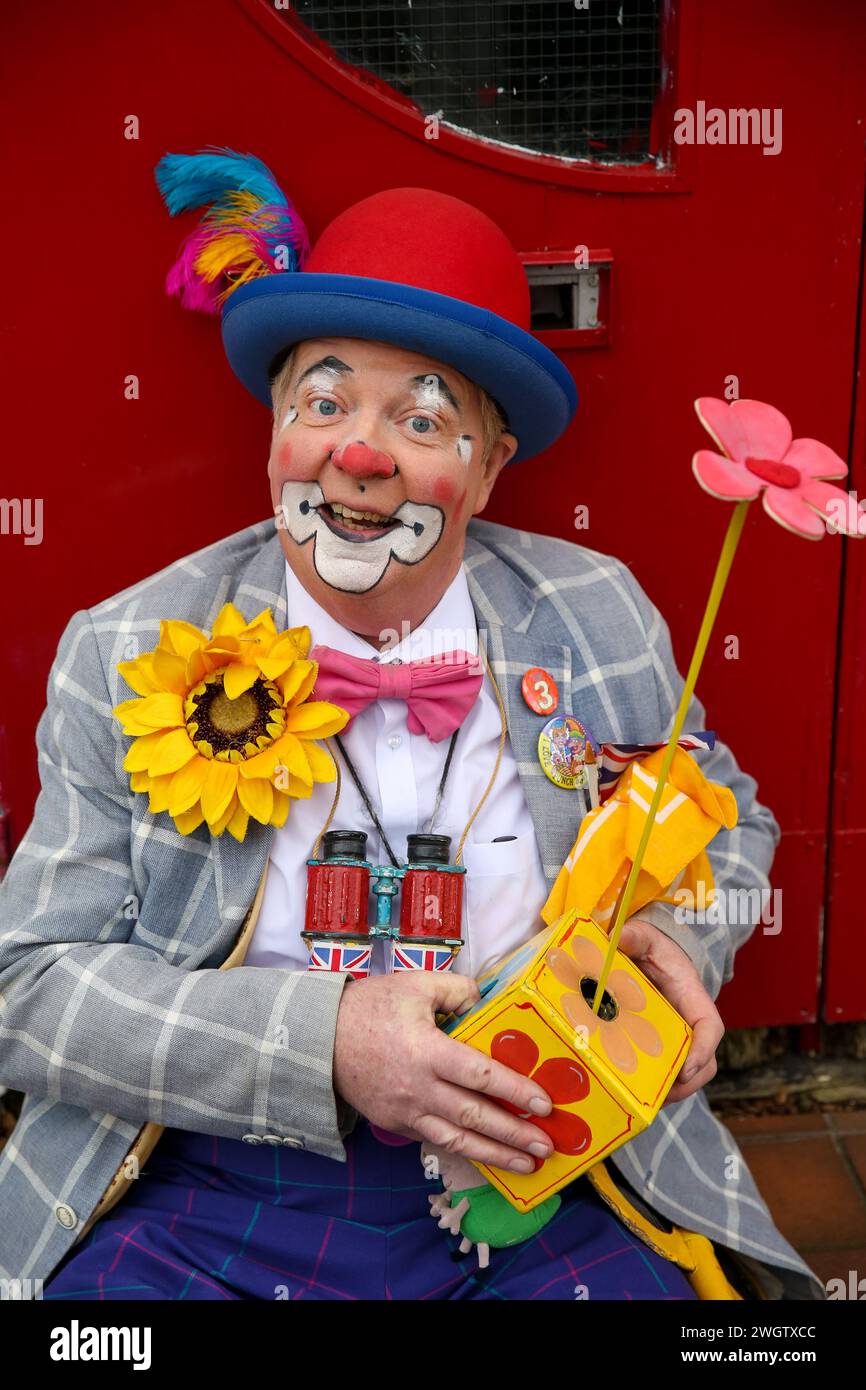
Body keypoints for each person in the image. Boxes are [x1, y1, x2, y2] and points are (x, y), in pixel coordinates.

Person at [0, 155, 824, 1300]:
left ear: (487, 471)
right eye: (323, 405)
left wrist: (674, 944)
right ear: (275, 432)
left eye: (422, 419)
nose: (360, 454)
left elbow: (722, 821)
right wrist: (323, 1041)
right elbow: (28, 984)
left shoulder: (591, 611)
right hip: (209, 1183)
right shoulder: (128, 645)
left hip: (544, 1165)